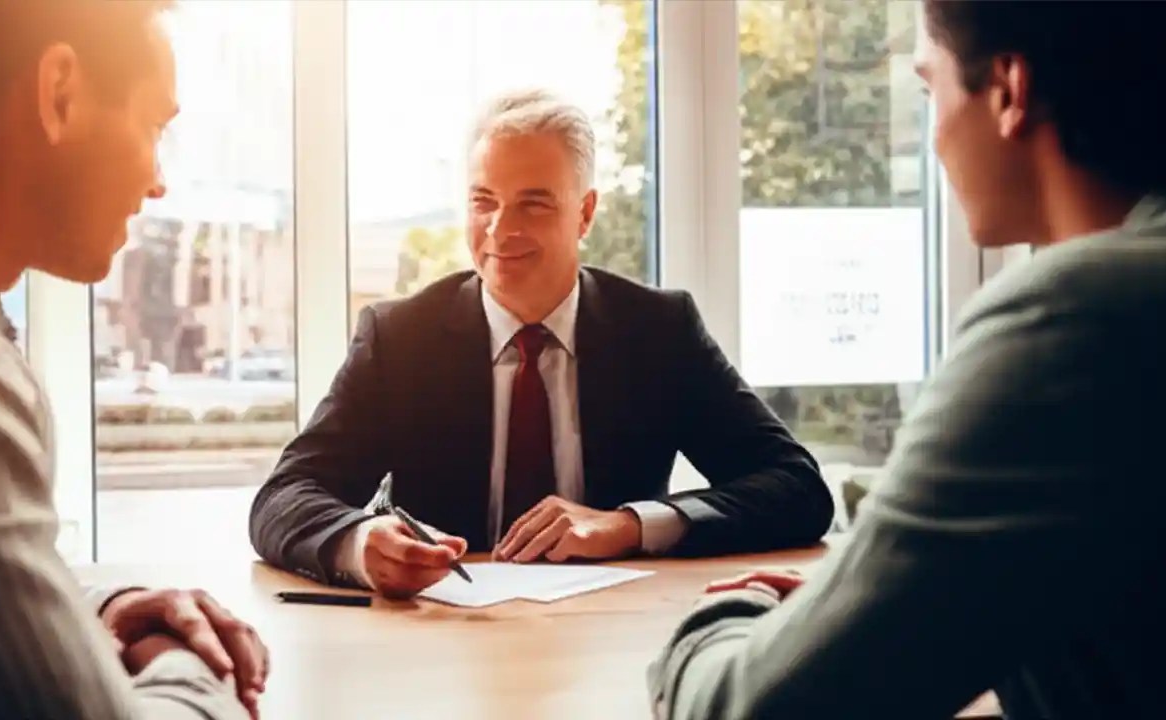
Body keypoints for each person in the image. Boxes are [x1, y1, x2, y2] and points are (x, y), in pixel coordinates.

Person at [648, 2, 1166, 718]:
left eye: (930, 90)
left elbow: (748, 709)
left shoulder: (1076, 320)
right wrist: (892, 610)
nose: (932, 138)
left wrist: (727, 617)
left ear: (1009, 90)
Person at [250, 89, 833, 598]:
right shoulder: (401, 339)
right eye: (484, 202)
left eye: (533, 202)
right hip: (445, 644)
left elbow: (797, 488)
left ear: (584, 213)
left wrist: (626, 526)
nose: (502, 230)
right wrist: (357, 543)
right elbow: (283, 497)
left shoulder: (659, 330)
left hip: (614, 635)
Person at [0, 2, 267, 718]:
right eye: (155, 127)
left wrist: (101, 610)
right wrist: (191, 667)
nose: (159, 180)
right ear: (60, 92)